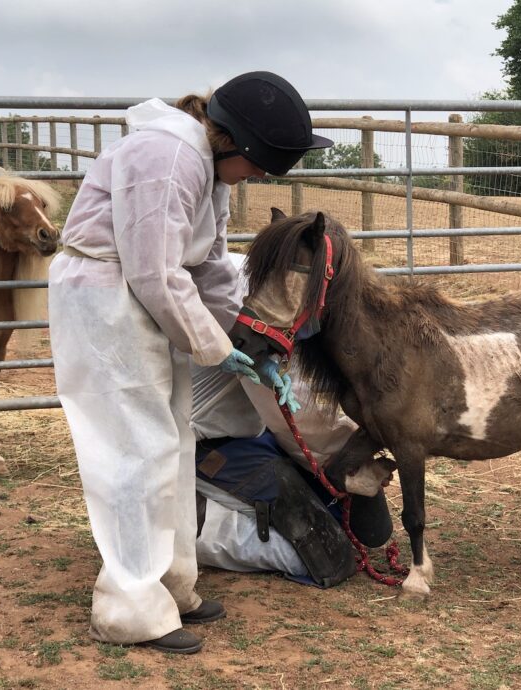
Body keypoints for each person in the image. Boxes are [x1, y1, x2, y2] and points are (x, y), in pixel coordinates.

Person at [48, 72, 332, 654]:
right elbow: (154, 270)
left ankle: (171, 586)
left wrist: (247, 335)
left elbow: (209, 267)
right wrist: (219, 347)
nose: (255, 178)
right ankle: (129, 609)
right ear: (234, 143)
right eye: (256, 166)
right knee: (133, 448)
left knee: (172, 440)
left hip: (137, 296)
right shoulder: (168, 156)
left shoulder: (206, 167)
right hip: (106, 296)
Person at [191, 355, 394, 587]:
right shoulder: (256, 323)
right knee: (327, 557)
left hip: (259, 432)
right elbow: (292, 411)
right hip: (207, 446)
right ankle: (190, 524)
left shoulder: (306, 323)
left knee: (366, 527)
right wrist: (347, 454)